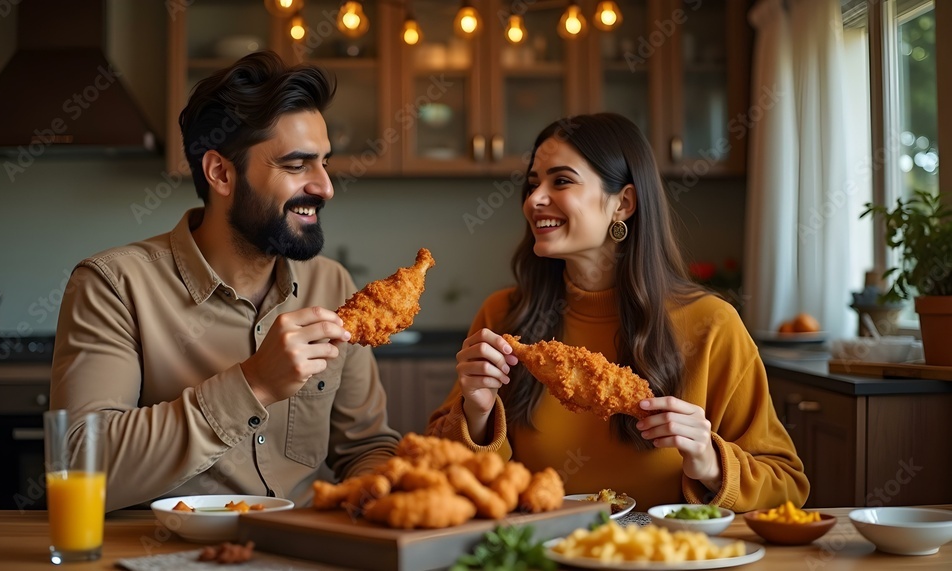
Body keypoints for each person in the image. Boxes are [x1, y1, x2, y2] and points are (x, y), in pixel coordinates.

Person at [50, 52, 399, 511]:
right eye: (297, 165)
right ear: (220, 172)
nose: (325, 187)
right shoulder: (112, 286)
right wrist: (253, 384)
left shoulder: (332, 285)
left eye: (325, 163)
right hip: (159, 554)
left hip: (299, 553)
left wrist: (378, 493)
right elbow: (81, 467)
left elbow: (366, 449)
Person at [427, 113, 809, 512]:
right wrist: (477, 413)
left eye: (561, 181)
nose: (534, 199)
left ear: (623, 203)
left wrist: (710, 462)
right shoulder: (503, 317)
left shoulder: (711, 325)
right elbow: (438, 476)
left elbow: (787, 485)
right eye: (532, 183)